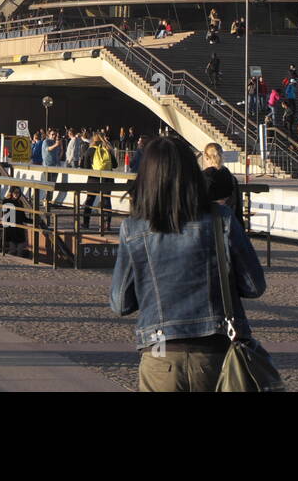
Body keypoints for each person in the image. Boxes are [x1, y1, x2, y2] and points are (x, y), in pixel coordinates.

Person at [109, 136, 267, 391]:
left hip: (160, 348)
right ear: (193, 174)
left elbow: (120, 303)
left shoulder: (133, 229)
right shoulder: (221, 220)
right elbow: (254, 286)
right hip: (214, 351)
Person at [1, 184, 31, 257]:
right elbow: (5, 215)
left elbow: (23, 217)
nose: (17, 194)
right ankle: (9, 260)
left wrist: (32, 221)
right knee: (12, 249)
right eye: (15, 192)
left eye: (18, 192)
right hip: (11, 226)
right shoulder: (6, 201)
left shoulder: (20, 202)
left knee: (21, 247)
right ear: (11, 192)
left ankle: (19, 259)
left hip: (19, 226)